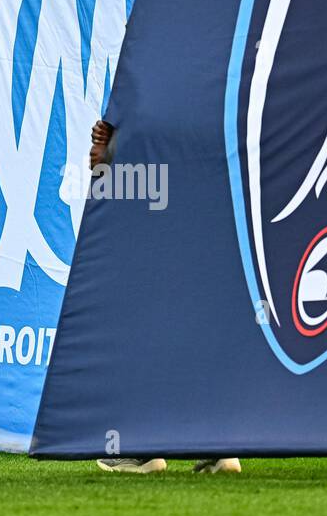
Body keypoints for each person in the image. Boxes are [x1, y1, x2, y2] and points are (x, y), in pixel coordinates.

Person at [86, 120, 241, 475]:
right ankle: (219, 446)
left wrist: (109, 161)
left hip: (160, 218)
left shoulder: (150, 94)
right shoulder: (210, 89)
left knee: (145, 327)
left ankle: (144, 449)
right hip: (208, 209)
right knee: (194, 326)